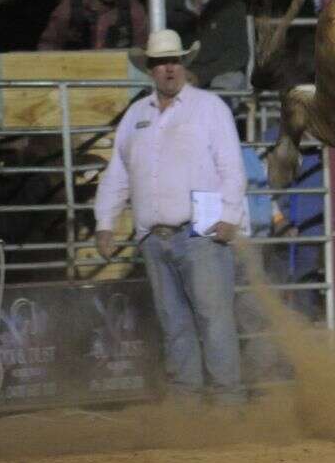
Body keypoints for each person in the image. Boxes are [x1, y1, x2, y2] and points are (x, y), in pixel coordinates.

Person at [93, 30, 248, 406]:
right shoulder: (136, 115)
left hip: (201, 230)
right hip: (154, 234)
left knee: (213, 318)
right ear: (150, 69)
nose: (168, 69)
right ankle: (187, 401)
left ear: (183, 65)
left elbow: (231, 165)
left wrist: (230, 213)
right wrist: (105, 222)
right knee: (174, 321)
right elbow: (119, 172)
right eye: (161, 63)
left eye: (174, 61)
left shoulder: (209, 107)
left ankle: (227, 401)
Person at [166, 0, 250, 91]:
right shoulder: (170, 5)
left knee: (228, 83)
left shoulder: (231, 6)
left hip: (220, 74)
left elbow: (239, 54)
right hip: (182, 73)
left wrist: (202, 75)